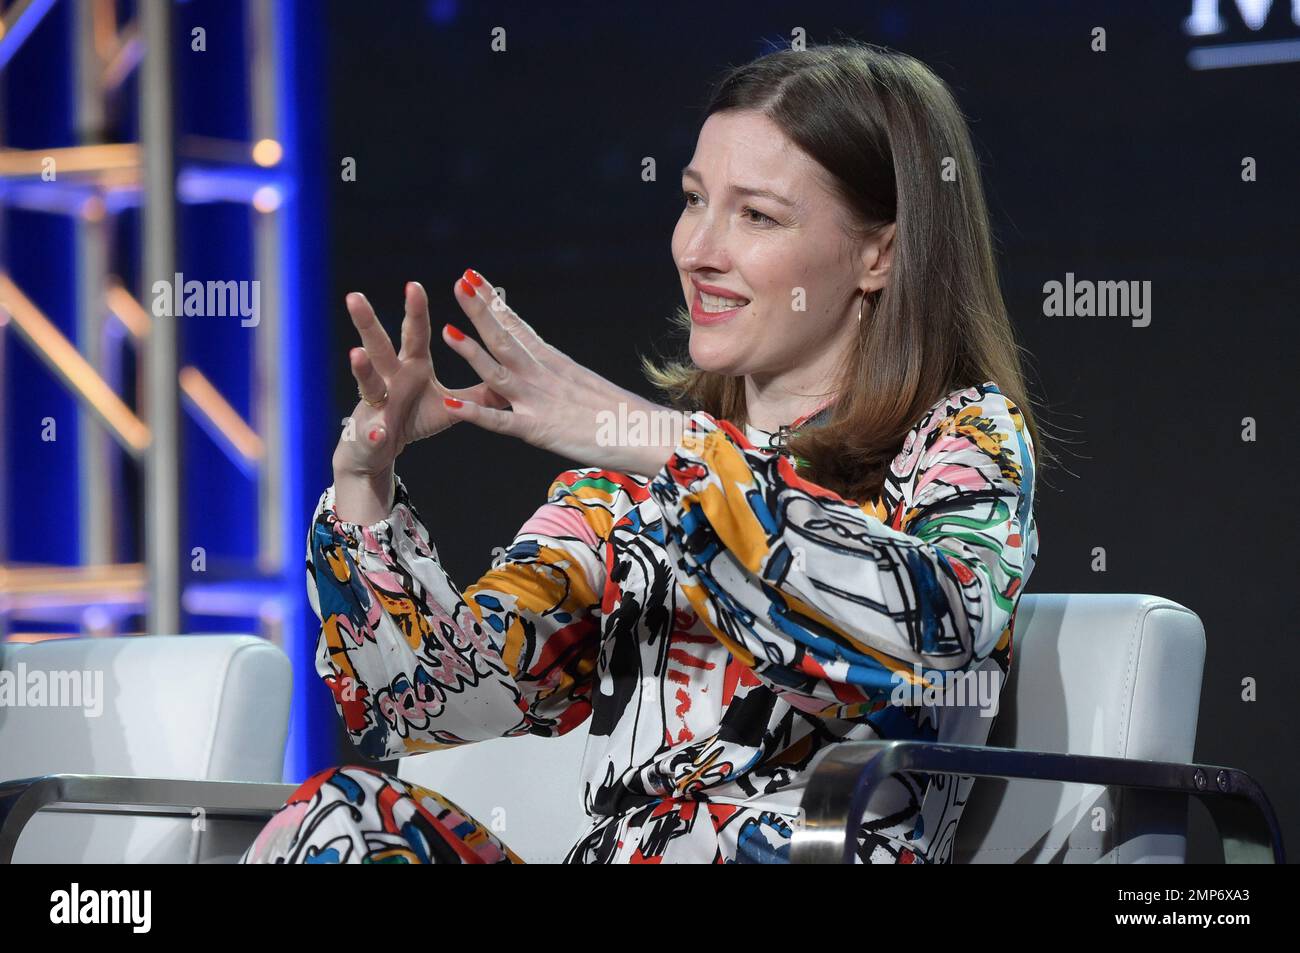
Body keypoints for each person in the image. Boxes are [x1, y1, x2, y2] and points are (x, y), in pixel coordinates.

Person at [240, 39, 1045, 865]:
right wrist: (363, 482)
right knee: (343, 817)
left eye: (756, 215)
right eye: (694, 200)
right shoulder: (630, 490)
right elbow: (435, 705)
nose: (698, 249)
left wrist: (665, 444)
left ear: (879, 253)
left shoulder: (959, 439)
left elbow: (942, 637)